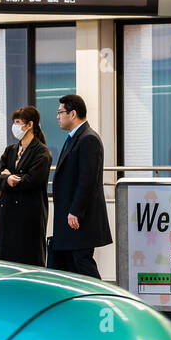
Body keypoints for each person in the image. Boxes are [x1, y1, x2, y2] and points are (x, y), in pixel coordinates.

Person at [50, 94, 112, 279]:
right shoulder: (74, 137)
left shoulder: (88, 139)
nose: (57, 116)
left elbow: (88, 179)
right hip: (69, 217)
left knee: (82, 263)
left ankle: (101, 300)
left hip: (79, 219)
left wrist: (75, 211)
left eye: (60, 112)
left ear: (73, 113)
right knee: (71, 265)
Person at [0, 105, 51, 266]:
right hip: (6, 213)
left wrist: (8, 177)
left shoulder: (41, 152)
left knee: (27, 258)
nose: (15, 126)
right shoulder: (10, 150)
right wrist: (6, 179)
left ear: (29, 125)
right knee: (4, 260)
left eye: (18, 122)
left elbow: (32, 180)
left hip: (28, 215)